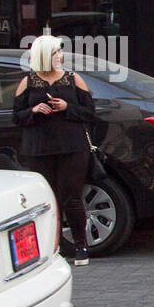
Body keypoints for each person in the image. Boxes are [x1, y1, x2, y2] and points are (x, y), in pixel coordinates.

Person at [13, 34, 94, 265]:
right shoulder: (29, 82)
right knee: (49, 200)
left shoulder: (72, 78)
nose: (60, 56)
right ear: (43, 56)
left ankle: (81, 246)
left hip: (72, 147)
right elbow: (16, 117)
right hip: (39, 148)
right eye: (55, 52)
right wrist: (34, 110)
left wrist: (67, 106)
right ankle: (53, 247)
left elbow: (90, 111)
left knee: (72, 198)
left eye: (60, 52)